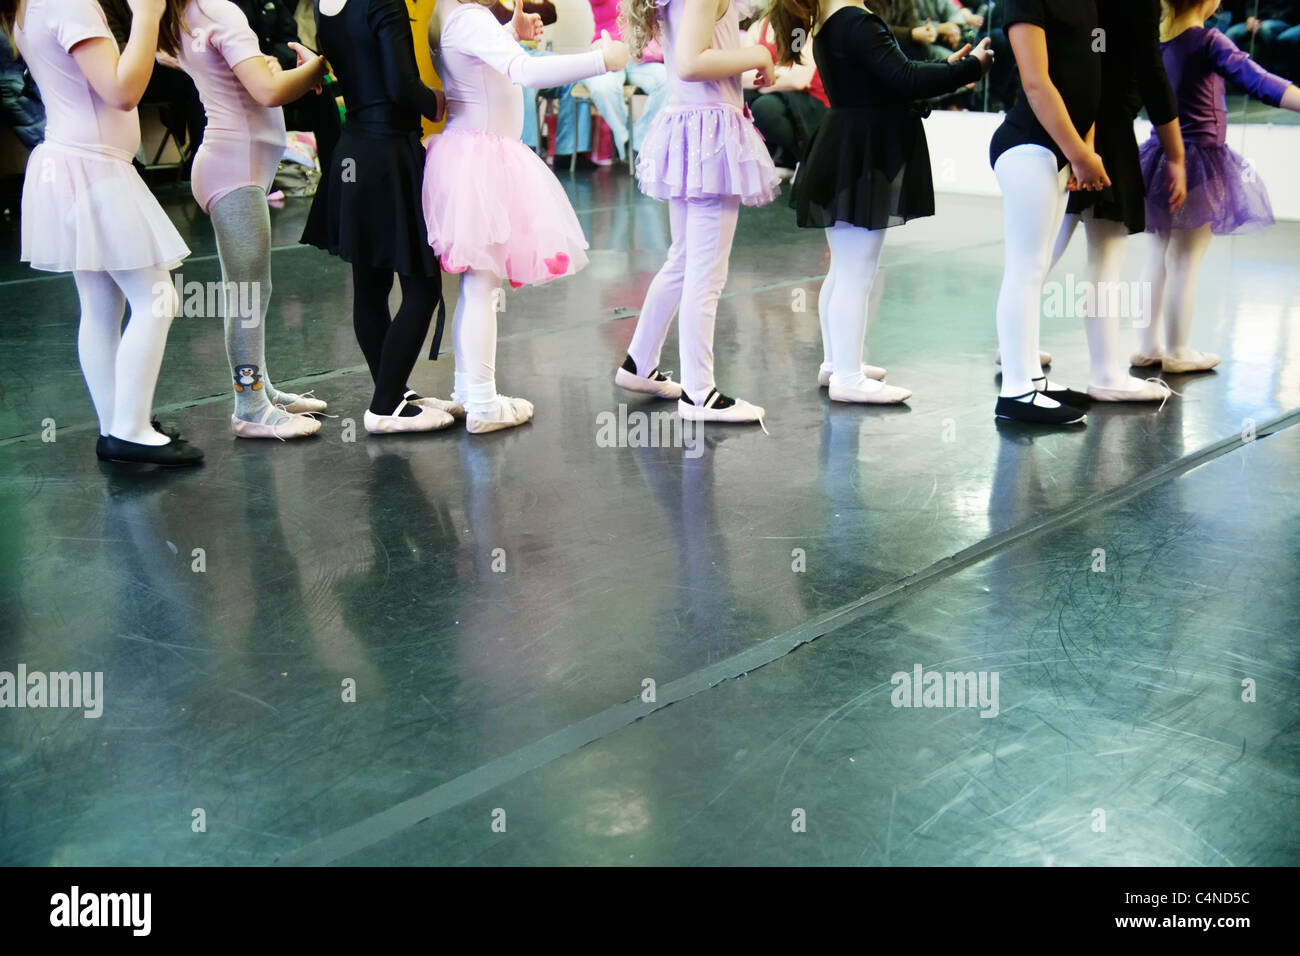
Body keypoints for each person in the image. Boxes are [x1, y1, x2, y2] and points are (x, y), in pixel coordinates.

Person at [8, 0, 203, 464]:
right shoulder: (66, 2)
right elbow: (121, 92)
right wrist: (148, 17)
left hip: (74, 165)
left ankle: (117, 423)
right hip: (91, 169)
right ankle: (130, 429)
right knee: (158, 299)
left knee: (100, 306)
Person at [422, 0, 627, 433]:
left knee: (478, 284)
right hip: (481, 160)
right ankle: (482, 401)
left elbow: (481, 69)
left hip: (470, 154)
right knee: (481, 286)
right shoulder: (471, 19)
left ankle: (468, 389)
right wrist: (601, 60)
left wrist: (510, 31)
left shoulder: (450, 16)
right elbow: (524, 71)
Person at [775, 0, 992, 404]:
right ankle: (848, 376)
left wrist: (951, 69)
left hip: (850, 146)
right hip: (861, 152)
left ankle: (838, 363)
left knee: (844, 270)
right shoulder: (854, 21)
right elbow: (905, 77)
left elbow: (889, 77)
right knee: (856, 272)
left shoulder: (832, 20)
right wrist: (968, 68)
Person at [164, 0, 330, 439]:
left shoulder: (187, 14)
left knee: (252, 289)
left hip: (233, 163)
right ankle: (249, 405)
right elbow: (268, 92)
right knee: (249, 294)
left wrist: (278, 72)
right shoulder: (217, 11)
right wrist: (320, 69)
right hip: (235, 168)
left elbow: (243, 79)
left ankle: (261, 388)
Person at [615, 0, 782, 424]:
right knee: (705, 272)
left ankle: (639, 363)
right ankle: (699, 393)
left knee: (685, 260)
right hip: (709, 132)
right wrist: (759, 54)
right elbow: (692, 62)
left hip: (691, 127)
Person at [301, 0, 456, 434]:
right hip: (389, 154)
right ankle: (386, 403)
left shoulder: (324, 5)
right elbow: (403, 86)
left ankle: (394, 391)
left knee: (370, 288)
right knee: (422, 289)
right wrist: (440, 101)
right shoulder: (383, 0)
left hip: (354, 151)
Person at [1135, 0, 1300, 372]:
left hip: (1159, 156)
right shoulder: (1209, 40)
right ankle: (1177, 351)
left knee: (1157, 253)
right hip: (1197, 162)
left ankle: (1148, 346)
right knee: (1186, 259)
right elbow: (1258, 81)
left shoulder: (1157, 41)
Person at [1044, 0, 1186, 402]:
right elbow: (1151, 73)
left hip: (1064, 123)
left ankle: (1016, 351)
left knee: (1041, 251)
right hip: (1103, 127)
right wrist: (1176, 154)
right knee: (1105, 254)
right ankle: (1106, 373)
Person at [988, 0, 1107, 425]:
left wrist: (1083, 148)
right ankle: (1016, 391)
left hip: (1060, 150)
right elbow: (1036, 83)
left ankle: (1031, 378)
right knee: (1025, 268)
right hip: (1028, 147)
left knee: (1036, 268)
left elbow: (1088, 80)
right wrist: (1080, 154)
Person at [581, 0, 669, 163]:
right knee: (603, 87)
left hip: (639, 54)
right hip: (607, 50)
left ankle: (639, 141)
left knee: (667, 81)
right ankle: (625, 139)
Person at [743, 10, 829, 175]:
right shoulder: (760, 26)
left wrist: (767, 78)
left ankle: (799, 156)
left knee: (764, 108)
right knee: (742, 98)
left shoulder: (803, 27)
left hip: (808, 98)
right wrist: (775, 75)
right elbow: (741, 74)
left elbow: (799, 79)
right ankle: (774, 151)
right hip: (775, 91)